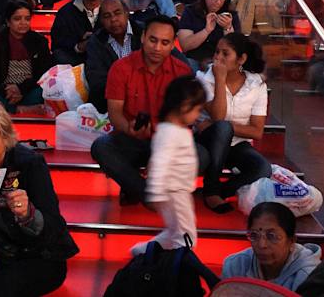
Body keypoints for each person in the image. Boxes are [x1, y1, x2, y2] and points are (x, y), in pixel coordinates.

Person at [0, 100, 78, 296]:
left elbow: (55, 226)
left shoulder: (30, 163)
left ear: (5, 137)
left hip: (39, 257)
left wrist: (28, 214)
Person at [90, 16, 192, 204]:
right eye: (153, 40)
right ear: (143, 37)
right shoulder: (120, 68)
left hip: (168, 143)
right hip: (132, 139)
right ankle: (148, 195)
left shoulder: (182, 72)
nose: (157, 48)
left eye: (165, 42)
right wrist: (128, 128)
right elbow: (115, 113)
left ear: (172, 45)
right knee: (101, 147)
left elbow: (184, 120)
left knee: (201, 154)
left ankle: (135, 189)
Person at [130, 75, 207, 255]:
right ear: (185, 106)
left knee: (175, 232)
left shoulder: (174, 130)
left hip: (179, 191)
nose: (197, 116)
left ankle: (144, 251)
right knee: (187, 237)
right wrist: (156, 192)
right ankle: (180, 265)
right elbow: (160, 162)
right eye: (197, 110)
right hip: (174, 192)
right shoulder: (170, 133)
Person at [197, 33, 272, 212]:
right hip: (207, 141)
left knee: (262, 168)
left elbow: (256, 131)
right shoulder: (204, 79)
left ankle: (219, 191)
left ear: (241, 59)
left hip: (237, 144)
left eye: (225, 54)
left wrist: (229, 127)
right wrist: (220, 80)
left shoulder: (256, 85)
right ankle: (211, 190)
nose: (218, 58)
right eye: (217, 53)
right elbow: (218, 116)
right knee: (221, 128)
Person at [0, 0, 53, 113]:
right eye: (17, 19)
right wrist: (6, 91)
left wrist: (20, 90)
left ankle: (4, 108)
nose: (23, 22)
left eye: (27, 18)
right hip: (3, 91)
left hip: (28, 91)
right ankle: (16, 109)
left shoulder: (39, 41)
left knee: (48, 90)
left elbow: (44, 74)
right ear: (8, 21)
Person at [222, 202, 321, 290]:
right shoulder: (235, 266)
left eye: (271, 236)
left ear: (291, 241)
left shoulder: (307, 276)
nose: (262, 245)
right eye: (254, 235)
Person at [178, 0, 240, 73]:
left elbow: (236, 51)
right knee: (186, 67)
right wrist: (206, 31)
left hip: (220, 62)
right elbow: (185, 45)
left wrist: (228, 28)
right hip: (195, 59)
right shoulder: (191, 11)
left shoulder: (231, 16)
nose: (218, 2)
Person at [50, 0, 103, 65]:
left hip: (106, 58)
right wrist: (79, 46)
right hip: (77, 61)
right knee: (59, 56)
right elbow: (57, 43)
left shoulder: (113, 8)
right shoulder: (65, 12)